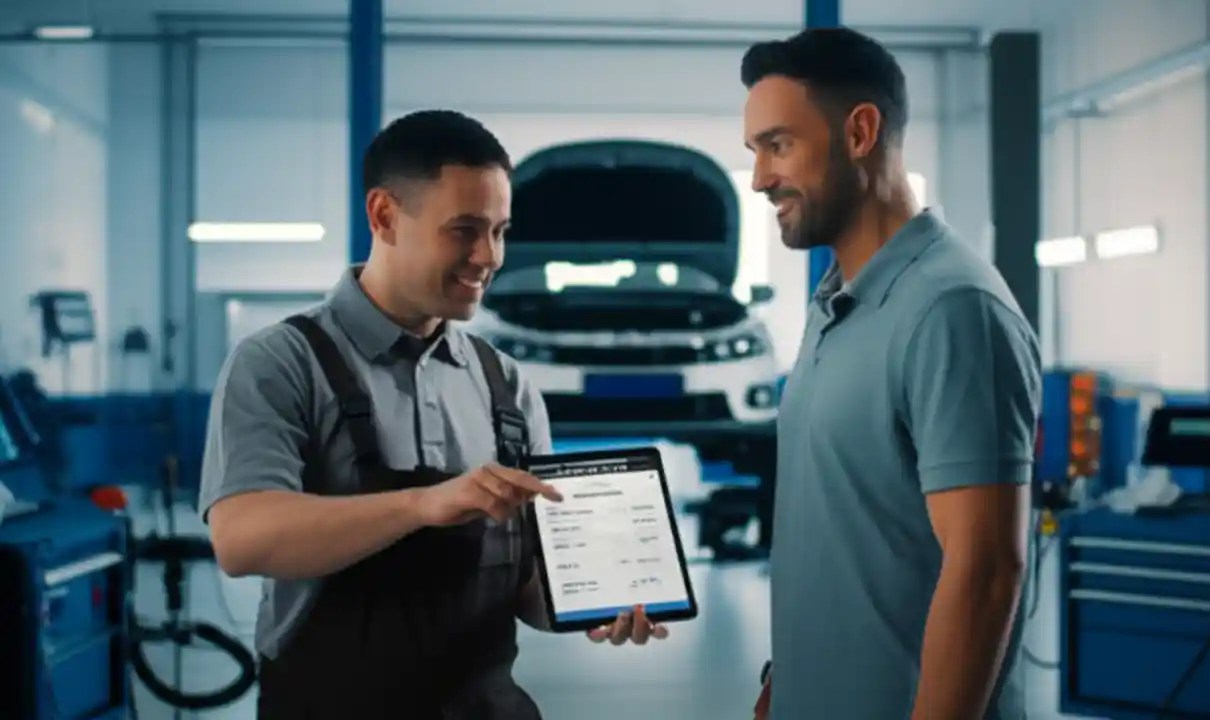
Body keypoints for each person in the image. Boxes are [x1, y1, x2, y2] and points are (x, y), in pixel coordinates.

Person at [199, 110, 666, 720]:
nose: (488, 257)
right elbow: (242, 538)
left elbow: (530, 582)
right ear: (385, 216)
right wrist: (423, 504)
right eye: (465, 230)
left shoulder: (508, 386)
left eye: (500, 231)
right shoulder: (281, 363)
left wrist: (593, 602)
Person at [741, 28, 1042, 720]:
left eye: (778, 145)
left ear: (860, 132)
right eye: (754, 152)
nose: (759, 179)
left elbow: (988, 570)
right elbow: (849, 523)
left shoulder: (951, 307)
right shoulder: (832, 304)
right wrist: (789, 678)